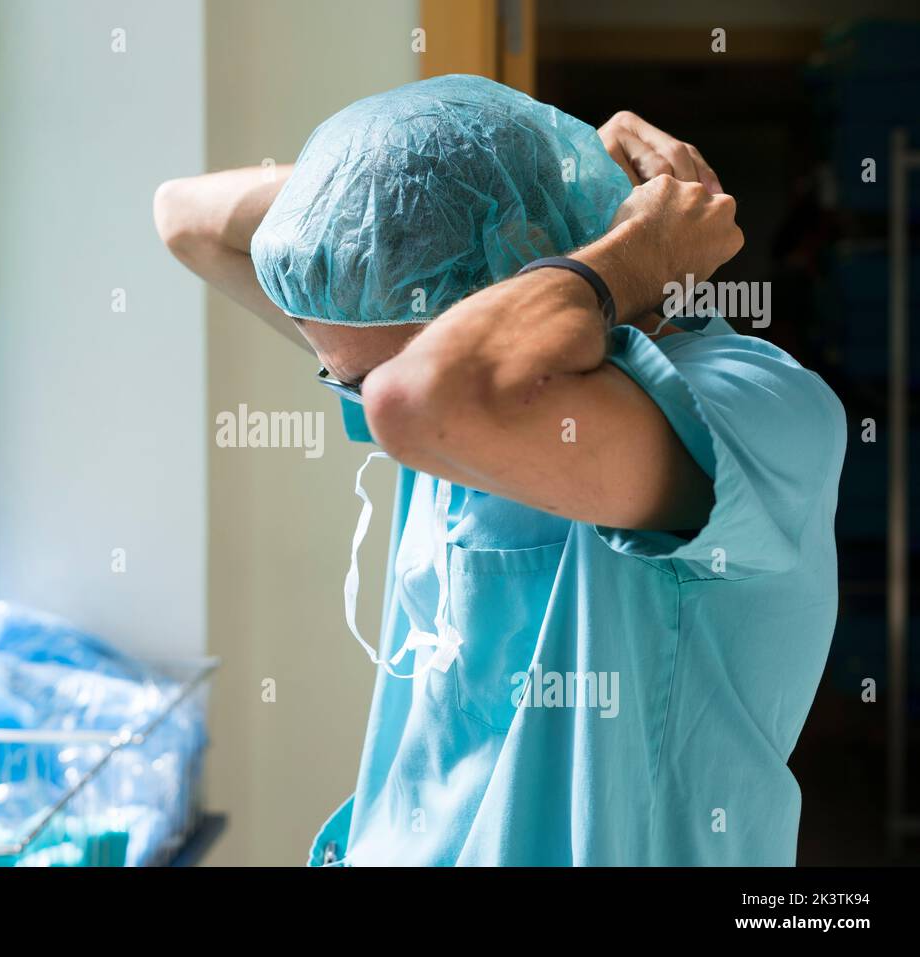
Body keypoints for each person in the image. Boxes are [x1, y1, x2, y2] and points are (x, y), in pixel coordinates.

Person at [154, 96, 846, 866]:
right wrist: (499, 178)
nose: (365, 406)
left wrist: (635, 252)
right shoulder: (433, 383)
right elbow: (186, 219)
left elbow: (418, 401)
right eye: (347, 383)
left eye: (388, 372)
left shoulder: (755, 410)